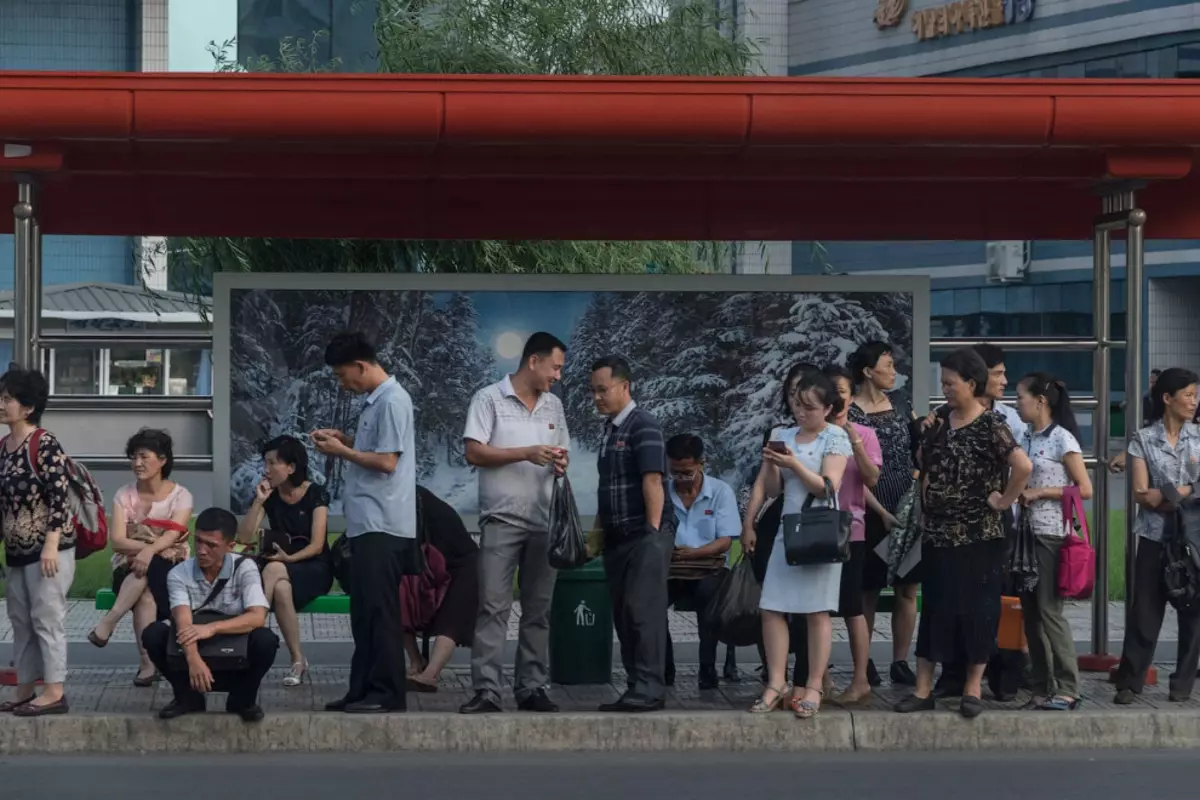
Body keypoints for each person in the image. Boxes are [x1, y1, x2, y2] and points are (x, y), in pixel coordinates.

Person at [894, 348, 1031, 719]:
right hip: (938, 534)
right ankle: (923, 688)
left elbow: (1023, 465)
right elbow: (924, 466)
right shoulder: (939, 420)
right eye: (943, 384)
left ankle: (973, 687)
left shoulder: (992, 425)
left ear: (972, 384)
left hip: (979, 536)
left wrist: (1003, 500)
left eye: (951, 384)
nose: (946, 390)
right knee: (936, 607)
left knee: (977, 610)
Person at [459, 332, 569, 715]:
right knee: (493, 606)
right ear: (533, 361)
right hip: (501, 518)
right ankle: (487, 690)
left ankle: (532, 687)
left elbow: (563, 453)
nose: (557, 375)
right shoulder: (488, 398)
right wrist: (526, 452)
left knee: (539, 609)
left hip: (544, 520)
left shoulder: (554, 406)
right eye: (554, 367)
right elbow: (474, 451)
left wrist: (559, 461)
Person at [313, 332, 419, 714]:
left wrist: (343, 451)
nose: (344, 384)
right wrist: (347, 440)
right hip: (367, 523)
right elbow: (374, 449)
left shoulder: (393, 400)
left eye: (344, 376)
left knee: (380, 612)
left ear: (362, 365)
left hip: (383, 522)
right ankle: (361, 688)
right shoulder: (375, 403)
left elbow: (388, 462)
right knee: (363, 614)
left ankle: (387, 693)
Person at [743, 365, 851, 719]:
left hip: (819, 532)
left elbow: (827, 486)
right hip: (787, 532)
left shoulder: (834, 437)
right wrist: (775, 464)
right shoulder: (781, 433)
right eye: (797, 405)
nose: (802, 413)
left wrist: (794, 463)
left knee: (817, 612)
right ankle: (776, 682)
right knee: (772, 607)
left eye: (810, 407)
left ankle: (814, 684)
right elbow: (772, 488)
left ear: (828, 408)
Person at [142, 507, 279, 721]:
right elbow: (182, 620)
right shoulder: (179, 573)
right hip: (194, 652)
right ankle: (187, 697)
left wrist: (211, 628)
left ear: (230, 546)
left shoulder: (245, 568)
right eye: (198, 541)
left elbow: (257, 617)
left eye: (211, 545)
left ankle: (242, 699)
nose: (202, 550)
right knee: (153, 634)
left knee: (266, 640)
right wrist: (193, 659)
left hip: (233, 650)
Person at [591, 355, 672, 713]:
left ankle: (651, 688)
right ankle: (635, 685)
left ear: (625, 387)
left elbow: (652, 480)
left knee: (644, 612)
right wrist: (597, 532)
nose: (597, 397)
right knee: (624, 614)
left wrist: (653, 534)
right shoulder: (610, 431)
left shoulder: (644, 425)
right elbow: (607, 487)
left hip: (644, 534)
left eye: (603, 390)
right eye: (593, 391)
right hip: (616, 537)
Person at [1114, 367, 1200, 704]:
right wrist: (1185, 491)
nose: (1195, 402)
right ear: (1168, 398)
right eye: (1189, 395)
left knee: (1193, 610)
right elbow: (1140, 493)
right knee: (1145, 609)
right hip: (1153, 536)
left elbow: (1162, 494)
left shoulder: (1199, 437)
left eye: (1196, 395)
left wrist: (1172, 493)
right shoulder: (1143, 439)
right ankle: (1130, 682)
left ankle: (1181, 685)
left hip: (1193, 536)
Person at [88, 428, 194, 687]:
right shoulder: (124, 494)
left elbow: (173, 535)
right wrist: (149, 549)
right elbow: (117, 540)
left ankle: (109, 622)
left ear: (163, 459)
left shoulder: (181, 495)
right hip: (129, 570)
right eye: (134, 457)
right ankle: (148, 664)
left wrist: (147, 549)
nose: (137, 463)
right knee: (143, 589)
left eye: (144, 457)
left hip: (171, 570)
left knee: (147, 568)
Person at [1014, 372, 1091, 711]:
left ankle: (1068, 686)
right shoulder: (1026, 438)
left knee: (1049, 610)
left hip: (1051, 533)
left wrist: (1041, 492)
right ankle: (1042, 685)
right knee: (1030, 612)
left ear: (1040, 401)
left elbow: (1084, 489)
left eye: (1020, 397)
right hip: (1025, 534)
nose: (1016, 404)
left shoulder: (1063, 440)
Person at [0, 368, 73, 717]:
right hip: (16, 550)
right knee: (20, 620)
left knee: (47, 618)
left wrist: (51, 545)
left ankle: (54, 691)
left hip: (47, 551)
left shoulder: (43, 442)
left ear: (28, 407)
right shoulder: (4, 447)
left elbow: (60, 496)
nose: (1, 404)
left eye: (7, 399)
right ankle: (25, 688)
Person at [236, 435, 333, 688]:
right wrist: (259, 501)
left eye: (272, 463)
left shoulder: (315, 493)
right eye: (265, 463)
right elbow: (244, 537)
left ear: (291, 467)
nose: (266, 470)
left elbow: (317, 545)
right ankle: (298, 660)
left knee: (276, 568)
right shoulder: (272, 496)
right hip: (281, 570)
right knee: (280, 587)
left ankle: (248, 628)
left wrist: (289, 558)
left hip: (314, 567)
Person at [847, 340, 918, 688]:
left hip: (906, 507)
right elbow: (854, 473)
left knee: (907, 589)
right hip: (871, 509)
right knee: (869, 590)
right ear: (867, 371)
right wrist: (881, 512)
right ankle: (865, 659)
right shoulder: (852, 414)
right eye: (887, 365)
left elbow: (916, 452)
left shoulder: (902, 405)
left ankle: (901, 660)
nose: (893, 371)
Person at [824, 364, 882, 705]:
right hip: (815, 530)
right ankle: (822, 678)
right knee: (818, 609)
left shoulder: (864, 433)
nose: (837, 401)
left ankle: (861, 679)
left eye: (842, 394)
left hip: (852, 530)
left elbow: (871, 478)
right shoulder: (812, 432)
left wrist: (853, 439)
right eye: (831, 395)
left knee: (852, 607)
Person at [663, 433, 740, 691]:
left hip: (709, 565)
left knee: (708, 598)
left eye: (686, 471)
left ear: (700, 464)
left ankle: (707, 668)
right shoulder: (661, 491)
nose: (681, 478)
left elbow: (726, 540)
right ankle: (664, 668)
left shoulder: (719, 491)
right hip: (671, 567)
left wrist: (693, 553)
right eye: (675, 472)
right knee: (649, 601)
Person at [404, 486, 480, 691]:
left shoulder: (412, 500)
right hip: (431, 565)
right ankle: (416, 661)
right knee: (398, 600)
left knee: (452, 617)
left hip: (463, 564)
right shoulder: (410, 497)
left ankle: (431, 674)